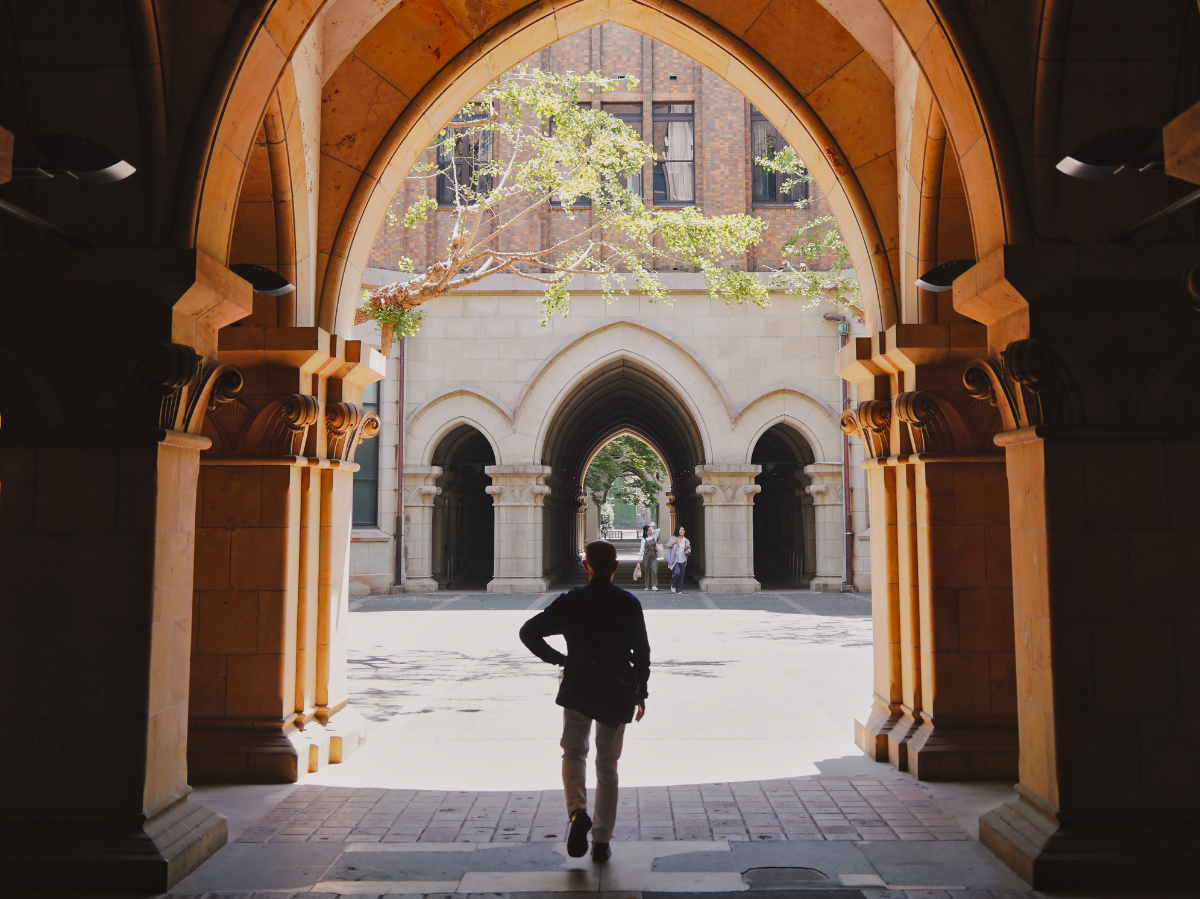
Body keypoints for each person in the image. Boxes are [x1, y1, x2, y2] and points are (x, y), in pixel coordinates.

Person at [519, 540, 650, 863]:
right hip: (617, 688)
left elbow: (528, 632)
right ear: (615, 566)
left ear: (586, 566)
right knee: (608, 764)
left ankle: (578, 812)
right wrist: (641, 692)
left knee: (574, 752)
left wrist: (560, 660)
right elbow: (642, 653)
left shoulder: (572, 602)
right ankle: (602, 840)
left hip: (579, 684)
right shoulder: (628, 603)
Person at [666, 525, 690, 594]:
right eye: (682, 530)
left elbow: (689, 548)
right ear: (678, 531)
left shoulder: (685, 540)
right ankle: (673, 585)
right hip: (675, 559)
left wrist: (687, 551)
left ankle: (679, 589)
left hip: (683, 559)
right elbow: (667, 545)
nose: (683, 531)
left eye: (683, 530)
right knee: (677, 572)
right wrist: (673, 543)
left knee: (682, 574)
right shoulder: (673, 538)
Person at [638, 523, 660, 591]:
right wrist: (639, 558)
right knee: (646, 571)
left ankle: (654, 585)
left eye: (651, 530)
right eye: (649, 530)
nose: (650, 531)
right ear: (645, 532)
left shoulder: (654, 537)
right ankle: (647, 585)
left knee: (655, 569)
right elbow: (641, 549)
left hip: (653, 555)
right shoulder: (644, 539)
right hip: (646, 556)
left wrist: (652, 530)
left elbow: (659, 530)